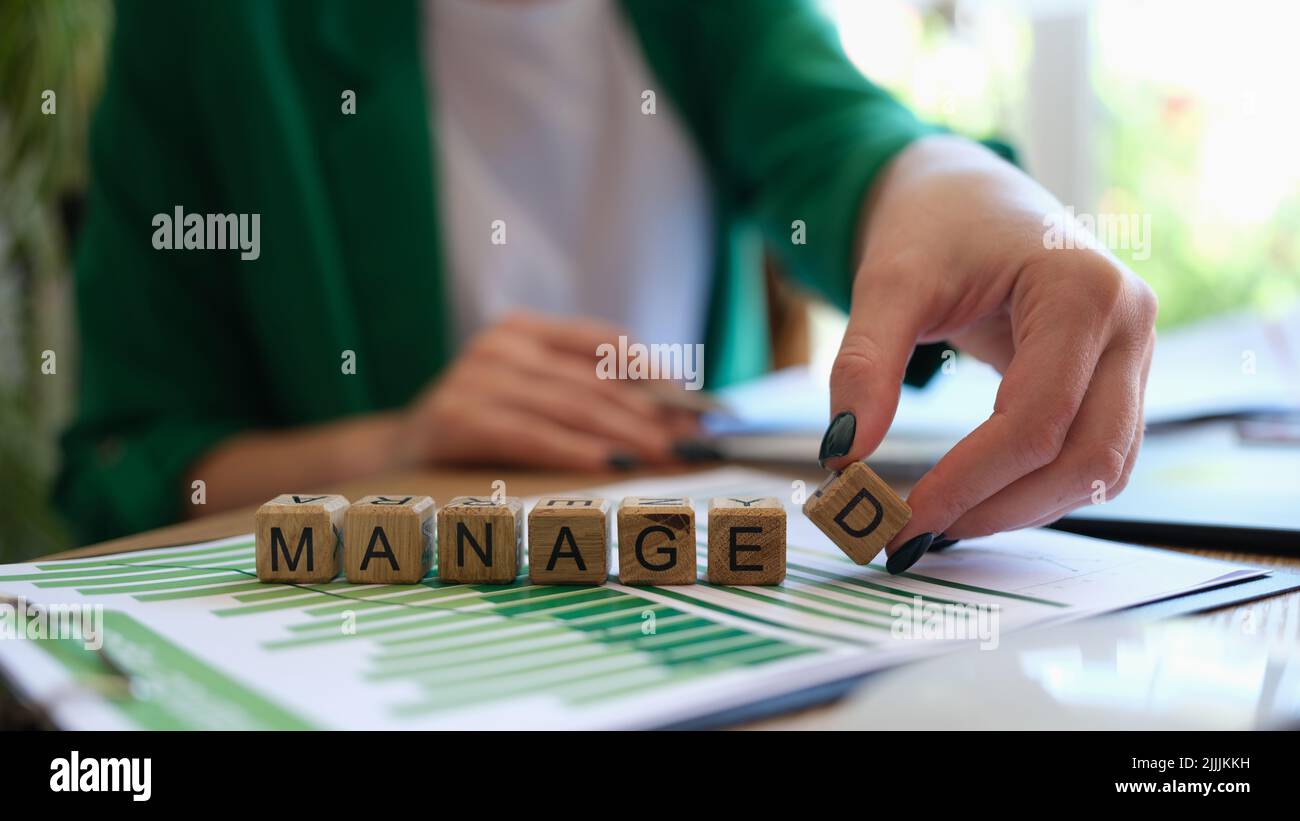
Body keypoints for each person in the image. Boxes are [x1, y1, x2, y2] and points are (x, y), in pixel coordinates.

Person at [58, 0, 1156, 575]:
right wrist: (396, 448)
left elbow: (841, 133)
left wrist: (954, 182)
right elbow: (125, 462)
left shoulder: (712, 16)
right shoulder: (200, 26)